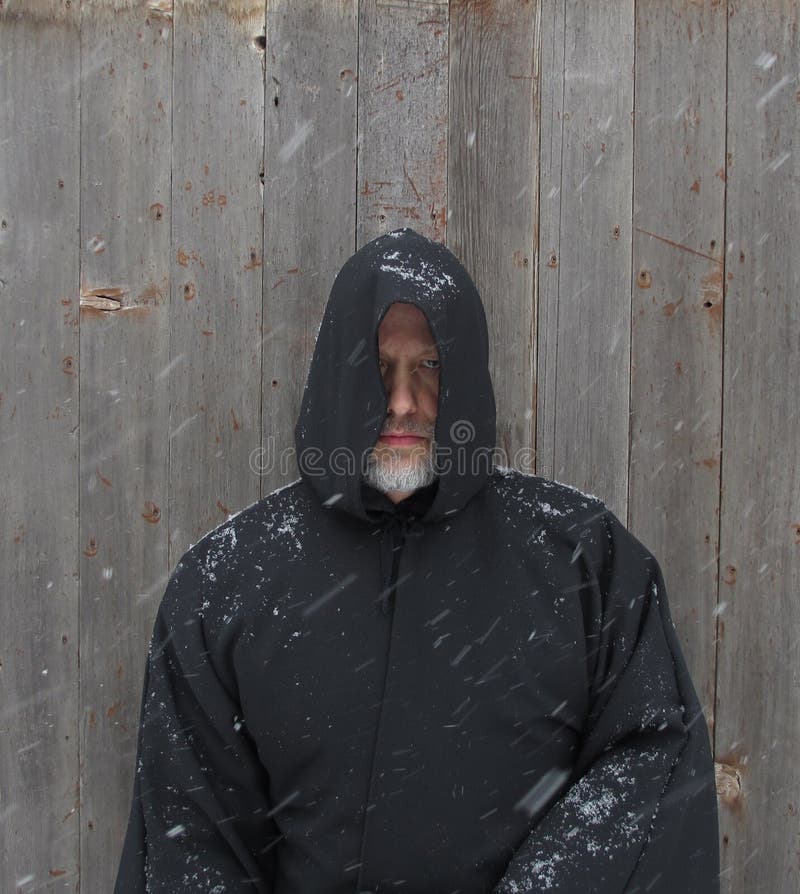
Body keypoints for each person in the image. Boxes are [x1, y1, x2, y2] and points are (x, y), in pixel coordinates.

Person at [114, 228, 720, 893]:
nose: (402, 401)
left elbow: (649, 757)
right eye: (380, 367)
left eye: (428, 366)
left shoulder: (580, 560)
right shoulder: (228, 584)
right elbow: (190, 837)